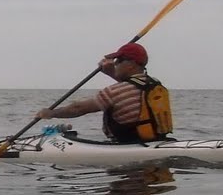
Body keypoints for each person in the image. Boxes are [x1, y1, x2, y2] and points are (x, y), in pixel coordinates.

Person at [33, 41, 174, 143]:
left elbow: (79, 108)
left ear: (130, 64)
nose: (115, 64)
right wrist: (111, 72)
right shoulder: (153, 83)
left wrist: (52, 113)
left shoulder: (115, 92)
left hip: (128, 144)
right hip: (156, 140)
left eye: (119, 60)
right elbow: (131, 87)